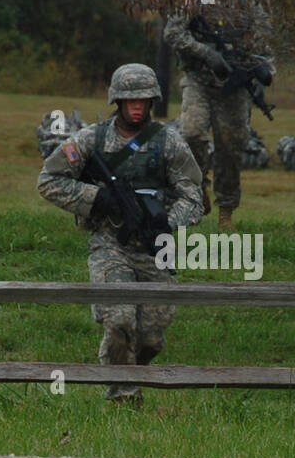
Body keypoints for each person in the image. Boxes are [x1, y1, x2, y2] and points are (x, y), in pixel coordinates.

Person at [38, 63, 203, 406]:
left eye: (143, 99)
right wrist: (97, 199)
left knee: (152, 338)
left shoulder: (168, 142)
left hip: (157, 247)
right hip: (109, 243)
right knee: (120, 320)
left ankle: (128, 374)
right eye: (130, 100)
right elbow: (48, 181)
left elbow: (194, 196)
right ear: (117, 101)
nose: (137, 106)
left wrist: (169, 224)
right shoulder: (91, 139)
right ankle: (122, 397)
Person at [164, 0, 274, 230]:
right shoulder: (195, 0)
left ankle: (226, 209)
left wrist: (262, 69)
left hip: (234, 86)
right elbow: (173, 32)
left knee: (231, 146)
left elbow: (263, 39)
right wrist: (204, 52)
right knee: (191, 132)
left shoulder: (247, 4)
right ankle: (197, 189)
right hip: (199, 80)